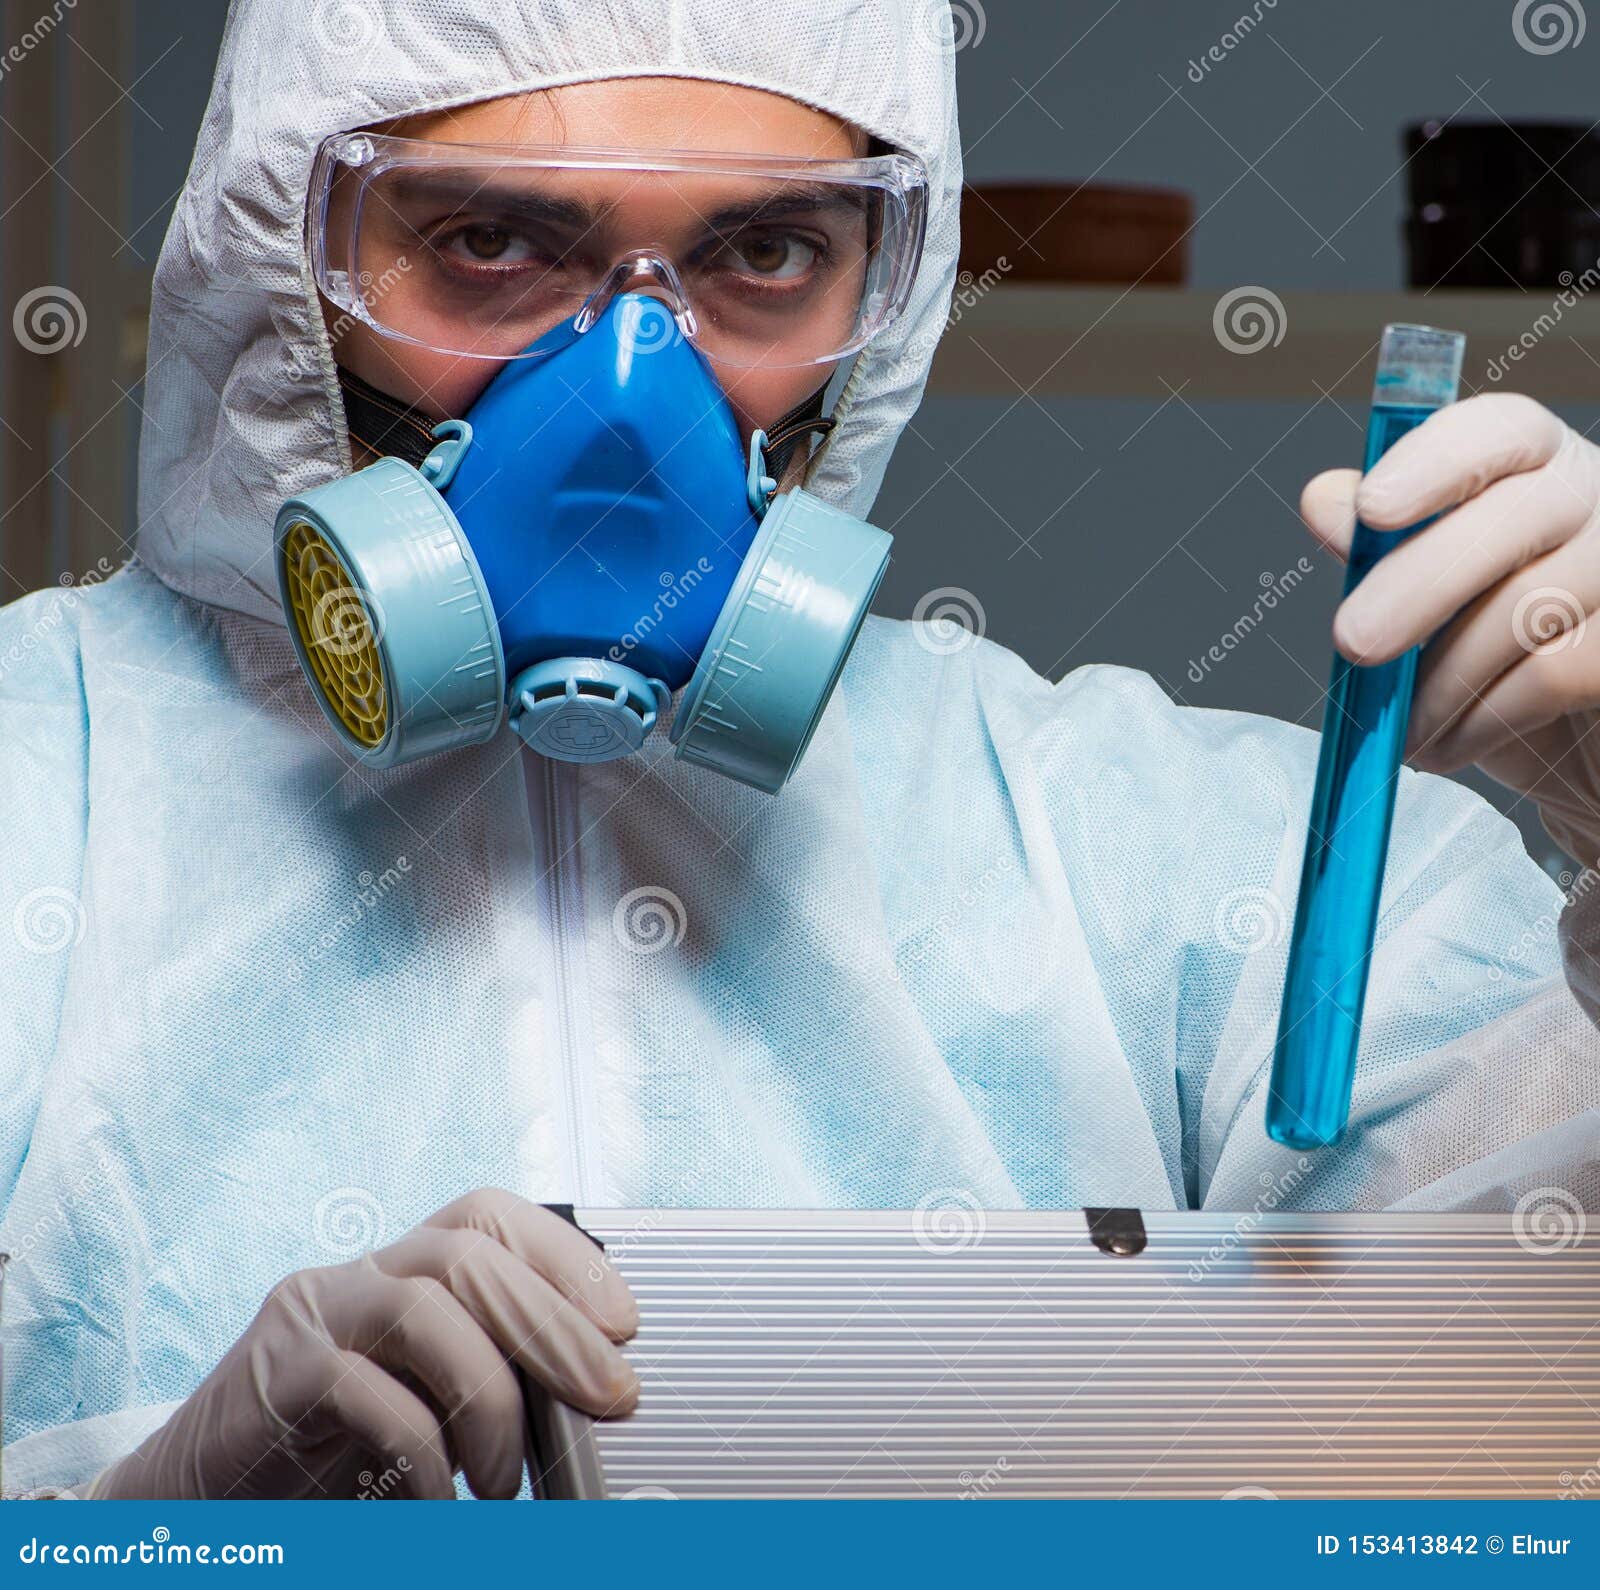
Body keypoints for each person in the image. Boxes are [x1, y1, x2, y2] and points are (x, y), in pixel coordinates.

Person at [1, 0, 1597, 1500]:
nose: (632, 395)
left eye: (764, 251)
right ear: (285, 255)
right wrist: (137, 1518)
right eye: (487, 241)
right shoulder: (35, 798)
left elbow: (1523, 1388)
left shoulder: (1155, 852)